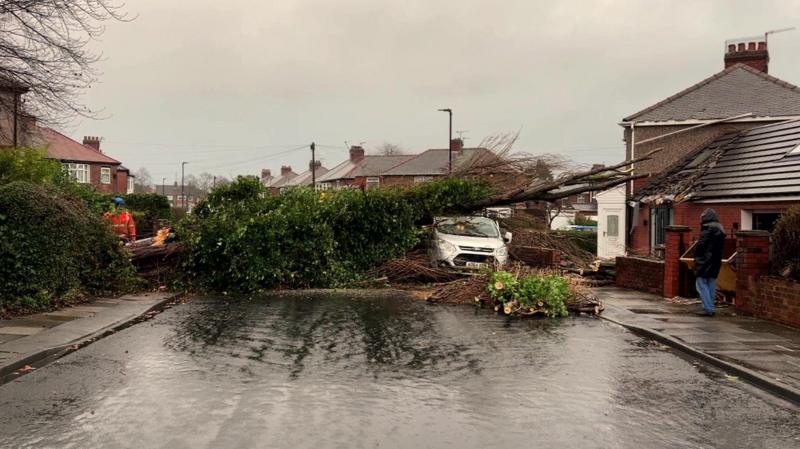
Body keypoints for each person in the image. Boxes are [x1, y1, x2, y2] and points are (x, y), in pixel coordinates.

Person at [694, 208, 726, 316]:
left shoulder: (708, 228)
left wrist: (697, 256)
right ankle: (711, 307)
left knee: (701, 284)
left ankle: (708, 308)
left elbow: (702, 244)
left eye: (702, 217)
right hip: (716, 260)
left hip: (705, 260)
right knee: (711, 283)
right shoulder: (720, 228)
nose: (701, 219)